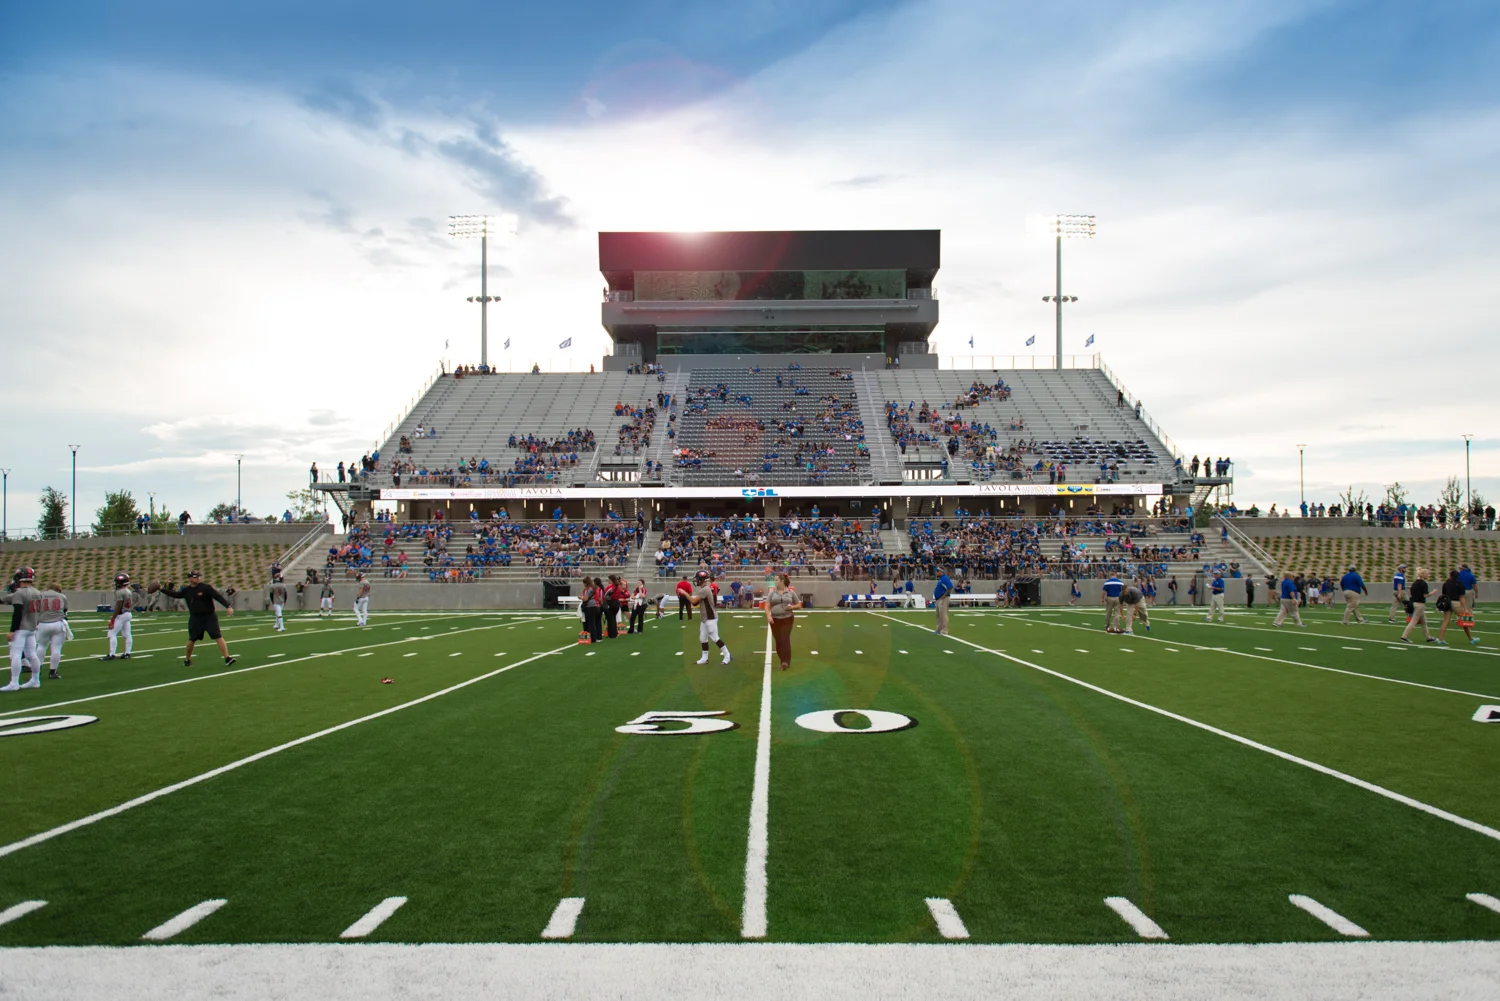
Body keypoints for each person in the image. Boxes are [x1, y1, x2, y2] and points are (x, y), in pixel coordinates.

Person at [160, 571, 236, 667]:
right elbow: (176, 594)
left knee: (218, 636)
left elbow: (217, 597)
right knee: (192, 639)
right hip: (196, 618)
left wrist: (228, 606)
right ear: (190, 578)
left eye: (199, 576)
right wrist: (161, 589)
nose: (198, 578)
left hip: (209, 616)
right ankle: (187, 659)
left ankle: (227, 658)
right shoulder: (187, 590)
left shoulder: (205, 588)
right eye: (195, 577)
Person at [3, 567, 44, 690]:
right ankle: (35, 680)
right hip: (32, 628)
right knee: (32, 655)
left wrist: (12, 630)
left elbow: (17, 613)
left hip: (21, 628)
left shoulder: (20, 593)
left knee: (16, 654)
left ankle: (14, 683)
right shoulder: (38, 592)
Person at [688, 570, 731, 664]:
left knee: (715, 638)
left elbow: (693, 602)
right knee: (703, 638)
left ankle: (727, 656)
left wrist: (684, 593)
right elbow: (696, 603)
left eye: (697, 579)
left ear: (701, 579)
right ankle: (704, 658)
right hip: (705, 617)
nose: (696, 581)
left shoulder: (705, 589)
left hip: (710, 617)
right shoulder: (704, 589)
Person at [764, 573, 801, 671]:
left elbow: (799, 605)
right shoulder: (772, 593)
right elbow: (767, 606)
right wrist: (768, 616)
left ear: (781, 581)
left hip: (787, 618)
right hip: (775, 620)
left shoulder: (791, 593)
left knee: (785, 639)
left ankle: (785, 662)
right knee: (778, 641)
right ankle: (782, 659)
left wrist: (791, 607)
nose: (775, 581)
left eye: (776, 580)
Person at [35, 582, 71, 680]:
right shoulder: (62, 596)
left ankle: (37, 670)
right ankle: (52, 672)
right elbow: (65, 610)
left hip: (43, 623)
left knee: (41, 646)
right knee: (56, 648)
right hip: (57, 623)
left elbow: (36, 610)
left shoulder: (40, 595)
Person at [1435, 570, 1475, 645]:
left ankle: (1440, 639)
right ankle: (1471, 639)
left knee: (1446, 621)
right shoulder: (1460, 584)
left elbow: (1443, 595)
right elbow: (1462, 597)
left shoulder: (1446, 584)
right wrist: (1465, 608)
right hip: (1456, 603)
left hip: (1447, 603)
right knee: (1464, 621)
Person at [102, 572, 135, 661]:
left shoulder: (120, 592)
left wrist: (113, 619)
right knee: (127, 634)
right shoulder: (128, 591)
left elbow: (118, 605)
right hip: (128, 613)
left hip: (122, 614)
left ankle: (112, 654)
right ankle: (127, 653)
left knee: (111, 634)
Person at [1400, 568, 1434, 644]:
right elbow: (1425, 595)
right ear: (1423, 574)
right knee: (1414, 621)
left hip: (1414, 603)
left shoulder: (1415, 583)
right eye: (1427, 573)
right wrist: (1433, 592)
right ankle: (1404, 636)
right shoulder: (1423, 584)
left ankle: (1428, 637)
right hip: (1420, 604)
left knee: (1424, 621)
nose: (1428, 575)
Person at [933, 566, 954, 636]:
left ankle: (944, 630)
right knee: (938, 615)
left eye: (938, 571)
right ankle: (939, 629)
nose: (936, 572)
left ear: (941, 571)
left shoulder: (945, 578)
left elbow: (950, 587)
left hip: (943, 599)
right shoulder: (941, 579)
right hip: (939, 599)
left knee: (943, 615)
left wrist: (944, 595)